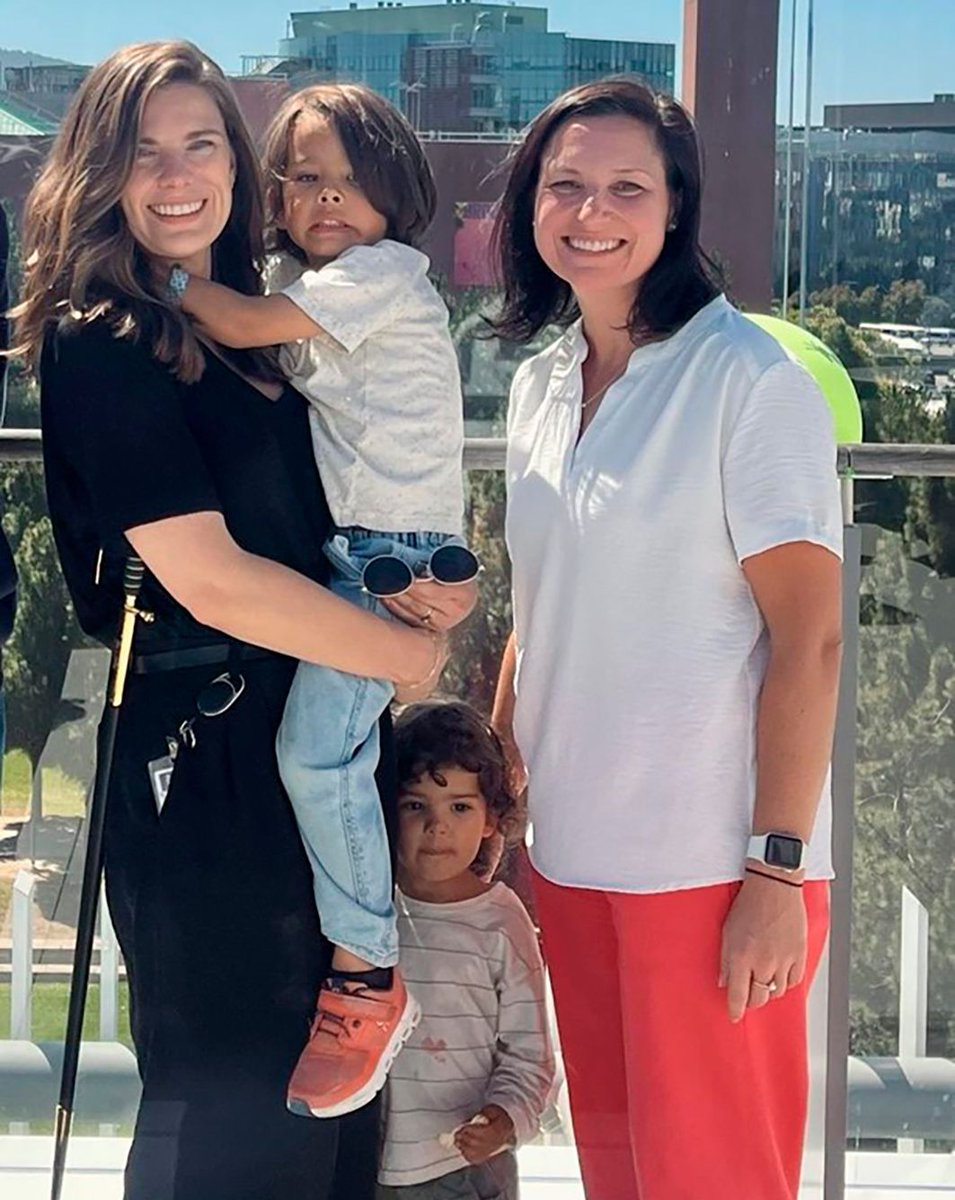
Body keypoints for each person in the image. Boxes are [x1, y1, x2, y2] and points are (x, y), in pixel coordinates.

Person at [12, 41, 473, 1200]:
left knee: (329, 1130)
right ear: (99, 171)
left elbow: (361, 496)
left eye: (201, 144)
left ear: (236, 165)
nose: (177, 176)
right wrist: (408, 652)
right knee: (235, 1122)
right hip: (204, 764)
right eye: (144, 152)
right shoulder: (104, 335)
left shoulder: (265, 331)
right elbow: (211, 577)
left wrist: (429, 584)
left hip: (309, 739)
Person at [490, 78, 844, 1200]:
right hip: (570, 858)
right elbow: (539, 613)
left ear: (677, 205)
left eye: (626, 188)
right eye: (565, 184)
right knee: (619, 1176)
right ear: (530, 204)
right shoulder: (540, 384)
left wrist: (774, 872)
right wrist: (502, 813)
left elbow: (811, 641)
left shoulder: (750, 380)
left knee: (714, 1180)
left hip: (708, 872)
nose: (590, 211)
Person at [165, 83, 477, 1120]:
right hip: (367, 552)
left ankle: (368, 973)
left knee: (317, 758)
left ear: (396, 193)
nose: (327, 197)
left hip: (392, 558)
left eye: (350, 178)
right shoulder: (316, 279)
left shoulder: (381, 274)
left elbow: (245, 320)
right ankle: (365, 961)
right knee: (328, 756)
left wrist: (160, 275)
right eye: (303, 178)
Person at [377, 701, 554, 1200]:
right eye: (416, 806)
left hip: (465, 1169)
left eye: (459, 807)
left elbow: (530, 1056)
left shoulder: (501, 922)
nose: (438, 827)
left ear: (491, 818)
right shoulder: (366, 908)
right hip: (361, 1163)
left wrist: (502, 1122)